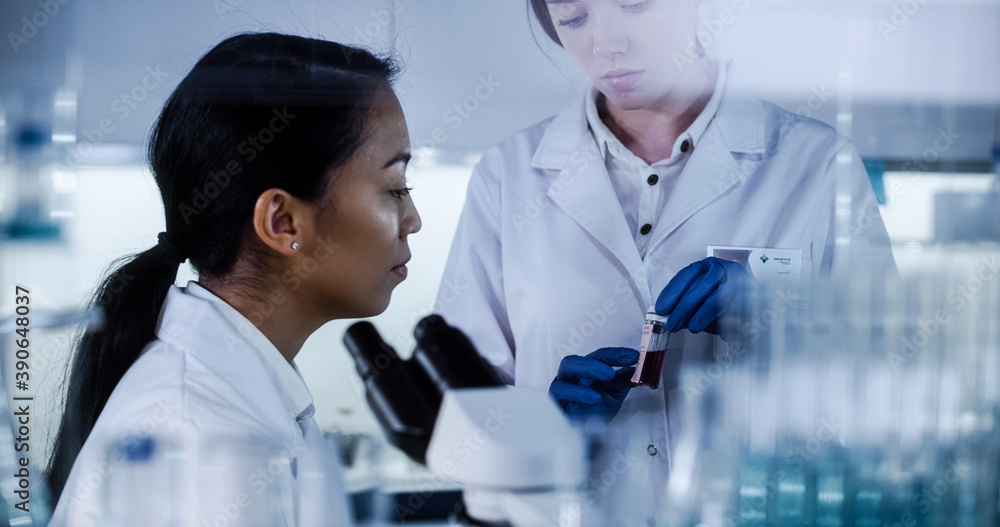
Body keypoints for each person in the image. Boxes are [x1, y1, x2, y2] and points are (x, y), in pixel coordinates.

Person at [434, 0, 894, 520]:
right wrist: (536, 428)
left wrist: (777, 317)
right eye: (574, 17)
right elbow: (456, 419)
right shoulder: (507, 176)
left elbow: (891, 391)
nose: (606, 44)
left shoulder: (815, 165)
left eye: (633, 4)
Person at [45, 33, 420, 526]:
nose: (412, 219)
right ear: (283, 222)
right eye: (395, 188)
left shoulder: (235, 387)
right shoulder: (195, 437)